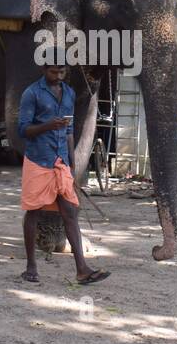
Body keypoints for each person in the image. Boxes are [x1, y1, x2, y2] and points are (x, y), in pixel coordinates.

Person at [15, 62, 109, 285]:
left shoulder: (69, 93)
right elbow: (23, 129)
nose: (58, 75)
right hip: (38, 160)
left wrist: (71, 165)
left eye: (62, 71)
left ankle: (82, 269)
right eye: (53, 71)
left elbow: (68, 132)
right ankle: (31, 267)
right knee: (33, 213)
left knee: (70, 212)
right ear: (43, 70)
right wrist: (47, 126)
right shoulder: (32, 93)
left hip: (60, 161)